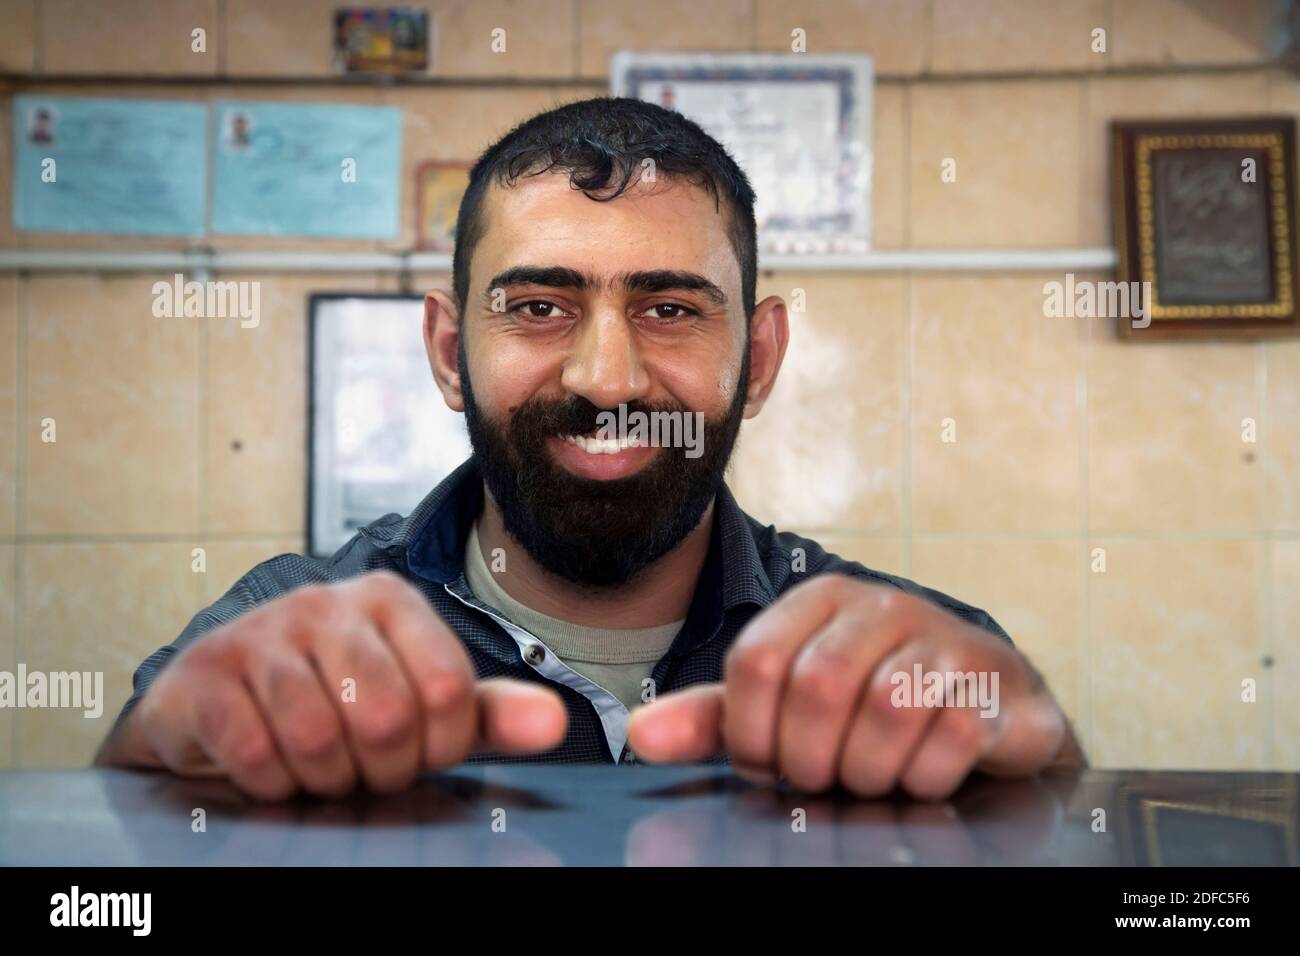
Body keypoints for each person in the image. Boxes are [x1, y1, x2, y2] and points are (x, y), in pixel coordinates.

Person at [97, 97, 1085, 801]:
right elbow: (104, 861)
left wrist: (1044, 760)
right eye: (537, 306)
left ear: (760, 356)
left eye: (667, 308)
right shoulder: (285, 625)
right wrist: (160, 751)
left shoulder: (899, 656)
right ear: (449, 351)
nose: (605, 379)